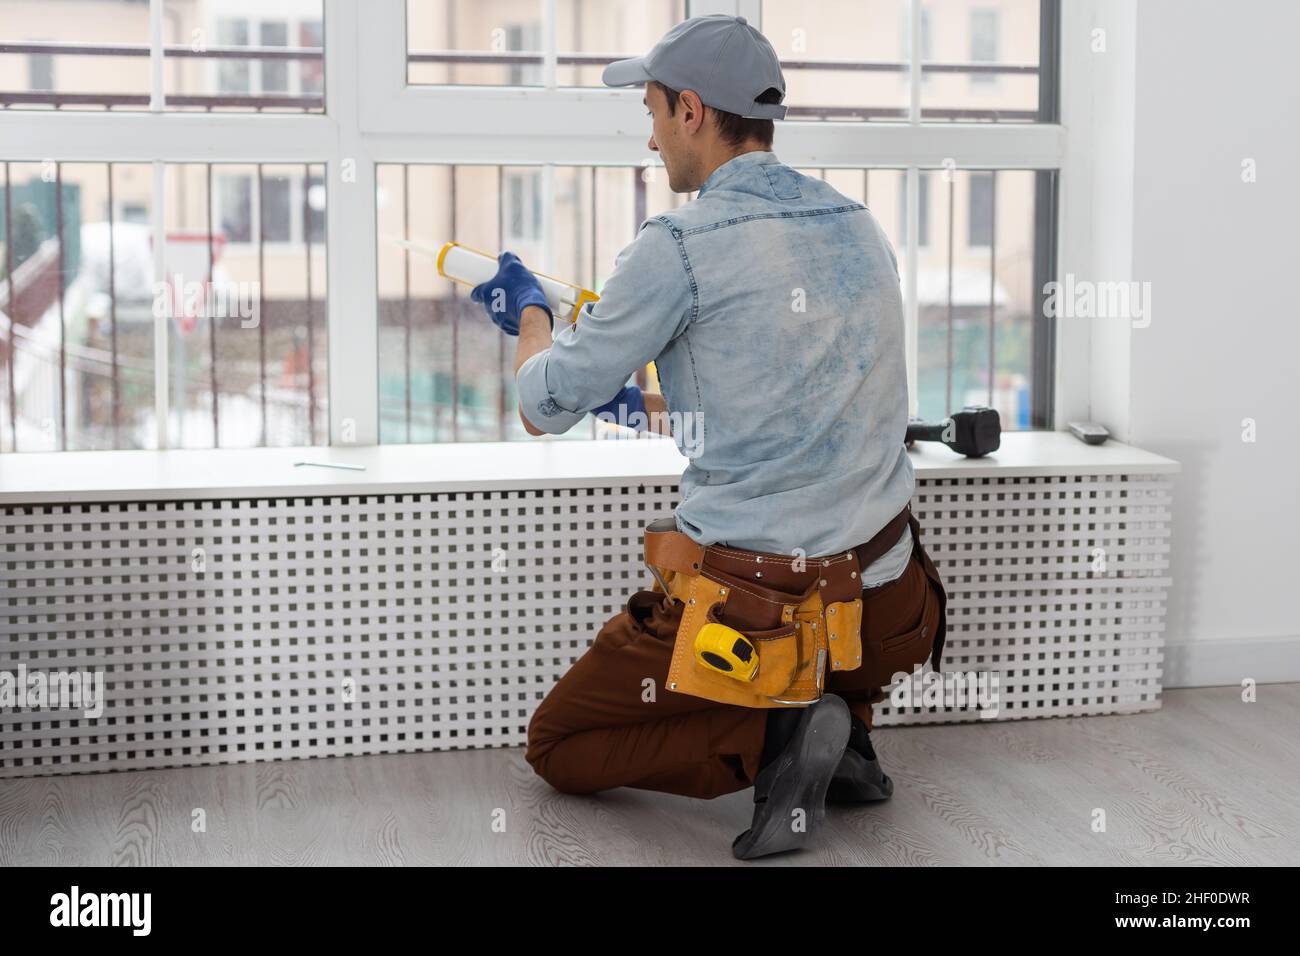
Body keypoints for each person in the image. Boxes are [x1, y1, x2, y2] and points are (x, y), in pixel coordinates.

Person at [468, 14, 946, 860]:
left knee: (558, 746)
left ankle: (782, 741)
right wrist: (645, 407)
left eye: (651, 112)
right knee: (830, 654)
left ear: (691, 110)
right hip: (887, 600)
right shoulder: (859, 226)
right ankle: (839, 730)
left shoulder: (678, 246)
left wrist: (532, 317)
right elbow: (787, 404)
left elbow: (542, 406)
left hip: (761, 610)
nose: (650, 139)